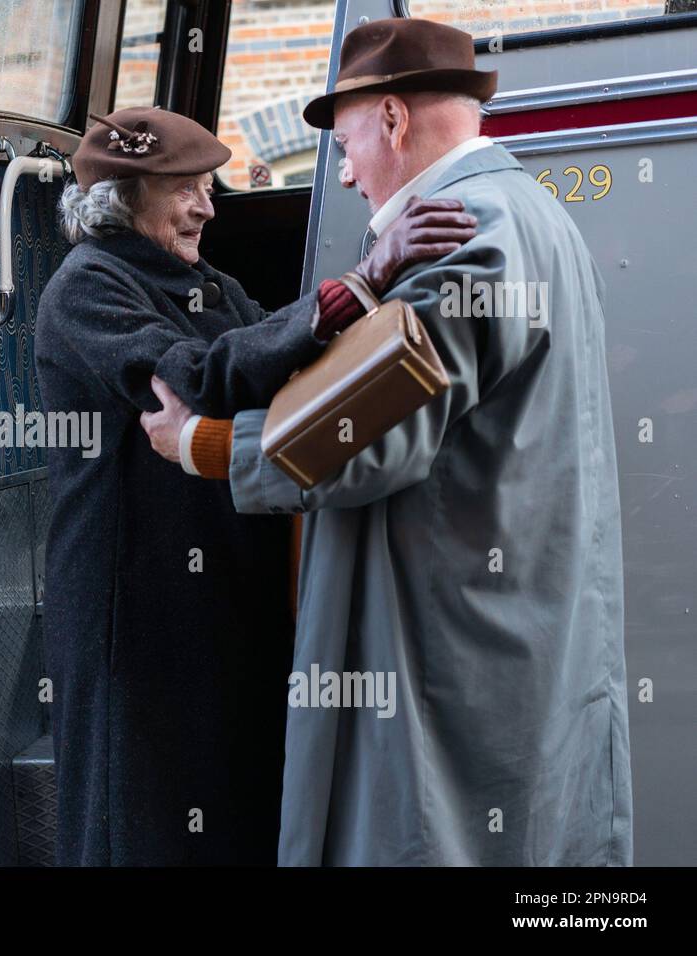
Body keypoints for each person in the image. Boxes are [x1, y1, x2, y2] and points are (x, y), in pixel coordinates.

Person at [142, 19, 632, 865]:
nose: (344, 169)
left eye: (344, 142)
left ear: (394, 121)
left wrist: (205, 443)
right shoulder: (533, 213)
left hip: (448, 662)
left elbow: (371, 437)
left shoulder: (465, 231)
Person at [35, 106, 475, 865]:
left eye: (208, 186)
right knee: (145, 823)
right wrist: (360, 282)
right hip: (138, 620)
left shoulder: (197, 279)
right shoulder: (86, 289)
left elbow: (284, 363)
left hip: (218, 599)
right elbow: (201, 379)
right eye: (186, 189)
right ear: (123, 198)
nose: (209, 205)